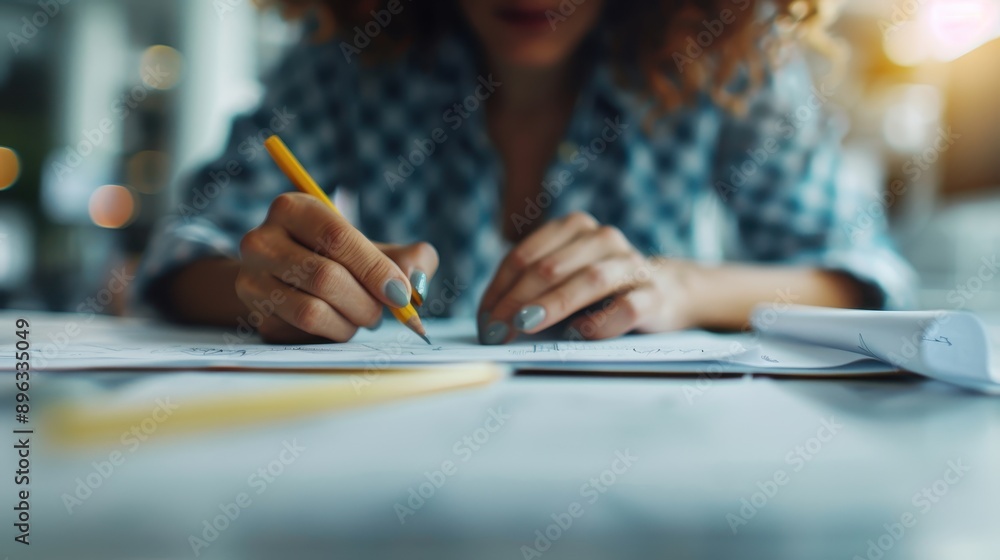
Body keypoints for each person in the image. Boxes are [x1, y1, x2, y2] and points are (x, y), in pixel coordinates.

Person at [135, 0, 916, 345]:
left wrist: (679, 288)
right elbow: (183, 251)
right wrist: (266, 286)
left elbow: (857, 274)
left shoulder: (723, 60)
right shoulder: (346, 54)